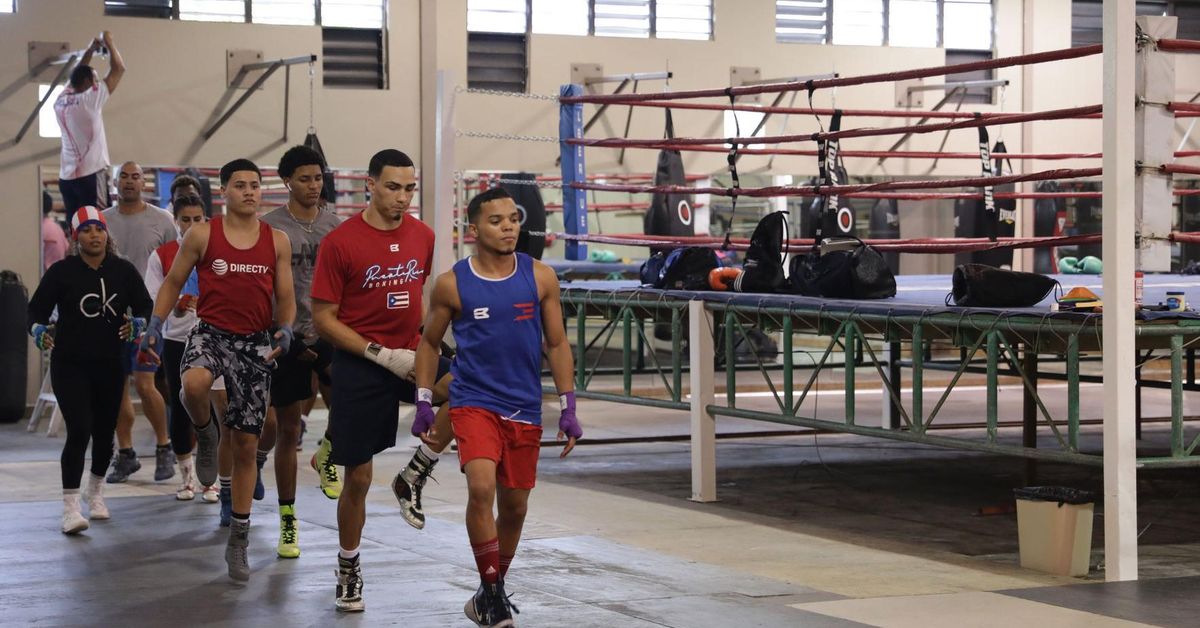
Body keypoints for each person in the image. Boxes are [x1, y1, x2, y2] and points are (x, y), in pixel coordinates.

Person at [415, 187, 582, 628]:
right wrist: (424, 400)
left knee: (515, 508)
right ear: (474, 229)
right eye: (496, 221)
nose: (508, 227)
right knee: (481, 488)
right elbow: (429, 343)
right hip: (474, 400)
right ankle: (492, 593)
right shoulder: (452, 283)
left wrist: (568, 406)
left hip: (524, 405)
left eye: (513, 219)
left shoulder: (540, 276)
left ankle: (489, 592)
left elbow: (557, 344)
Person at [141, 158, 295, 582]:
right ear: (224, 191)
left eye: (254, 185)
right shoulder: (203, 234)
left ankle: (238, 539)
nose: (249, 192)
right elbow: (173, 282)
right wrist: (156, 323)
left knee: (246, 444)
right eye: (240, 185)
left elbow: (285, 295)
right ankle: (205, 432)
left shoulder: (276, 241)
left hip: (254, 343)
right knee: (192, 385)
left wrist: (285, 328)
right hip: (211, 333)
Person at [311, 149, 452, 612]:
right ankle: (348, 567)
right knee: (359, 477)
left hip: (413, 351)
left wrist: (425, 344)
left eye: (409, 188)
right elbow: (323, 319)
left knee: (469, 387)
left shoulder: (423, 236)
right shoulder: (341, 242)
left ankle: (414, 474)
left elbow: (419, 297)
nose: (402, 197)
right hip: (362, 360)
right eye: (393, 187)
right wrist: (381, 355)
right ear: (369, 185)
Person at [28, 206, 152, 534]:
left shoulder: (123, 271)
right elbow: (36, 310)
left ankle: (95, 492)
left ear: (106, 234)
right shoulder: (62, 272)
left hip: (110, 364)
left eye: (99, 228)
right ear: (75, 237)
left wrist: (139, 323)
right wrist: (37, 330)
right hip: (70, 364)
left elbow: (145, 305)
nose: (94, 235)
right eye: (86, 230)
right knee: (79, 429)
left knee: (104, 432)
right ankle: (70, 507)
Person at [258, 145, 342, 558]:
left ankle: (326, 453)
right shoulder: (270, 227)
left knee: (347, 409)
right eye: (305, 179)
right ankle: (288, 520)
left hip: (328, 330)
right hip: (285, 335)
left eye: (318, 178)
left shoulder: (334, 225)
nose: (313, 186)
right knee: (288, 431)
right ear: (287, 181)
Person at [103, 161, 177, 484]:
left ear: (144, 183)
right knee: (115, 387)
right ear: (115, 182)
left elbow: (178, 266)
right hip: (111, 317)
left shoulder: (163, 221)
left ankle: (164, 447)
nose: (130, 182)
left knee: (146, 384)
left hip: (148, 317)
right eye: (124, 176)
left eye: (136, 177)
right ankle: (126, 453)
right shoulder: (102, 221)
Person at [144, 193, 221, 504]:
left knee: (215, 405)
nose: (191, 225)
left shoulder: (217, 249)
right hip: (177, 339)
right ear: (174, 221)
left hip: (215, 337)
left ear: (206, 219)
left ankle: (211, 480)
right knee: (181, 406)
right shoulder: (162, 255)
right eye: (185, 219)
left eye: (197, 219)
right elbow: (154, 295)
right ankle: (187, 477)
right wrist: (175, 306)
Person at [54, 31, 124, 212]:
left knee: (75, 225)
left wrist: (90, 50)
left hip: (67, 178)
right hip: (90, 174)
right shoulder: (89, 99)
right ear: (87, 82)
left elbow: (76, 75)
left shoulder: (60, 101)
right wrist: (109, 41)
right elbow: (118, 69)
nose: (97, 84)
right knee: (99, 221)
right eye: (95, 80)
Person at [42, 189, 69, 270]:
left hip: (46, 273)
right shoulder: (57, 227)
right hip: (59, 271)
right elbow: (67, 250)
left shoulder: (40, 229)